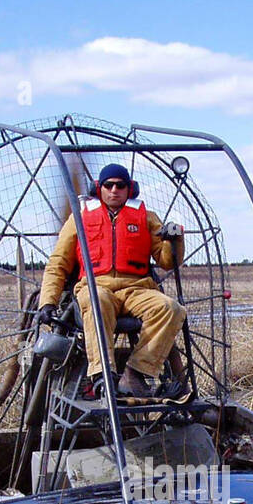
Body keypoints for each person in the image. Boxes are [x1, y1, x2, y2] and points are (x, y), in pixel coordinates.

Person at [36, 163, 186, 398]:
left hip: (137, 288)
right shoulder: (80, 218)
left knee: (170, 309)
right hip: (97, 286)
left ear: (129, 189)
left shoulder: (146, 218)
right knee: (98, 302)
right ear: (100, 188)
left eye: (120, 185)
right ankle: (102, 376)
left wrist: (173, 239)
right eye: (109, 185)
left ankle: (135, 373)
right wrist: (48, 302)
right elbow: (58, 263)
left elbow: (167, 261)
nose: (114, 190)